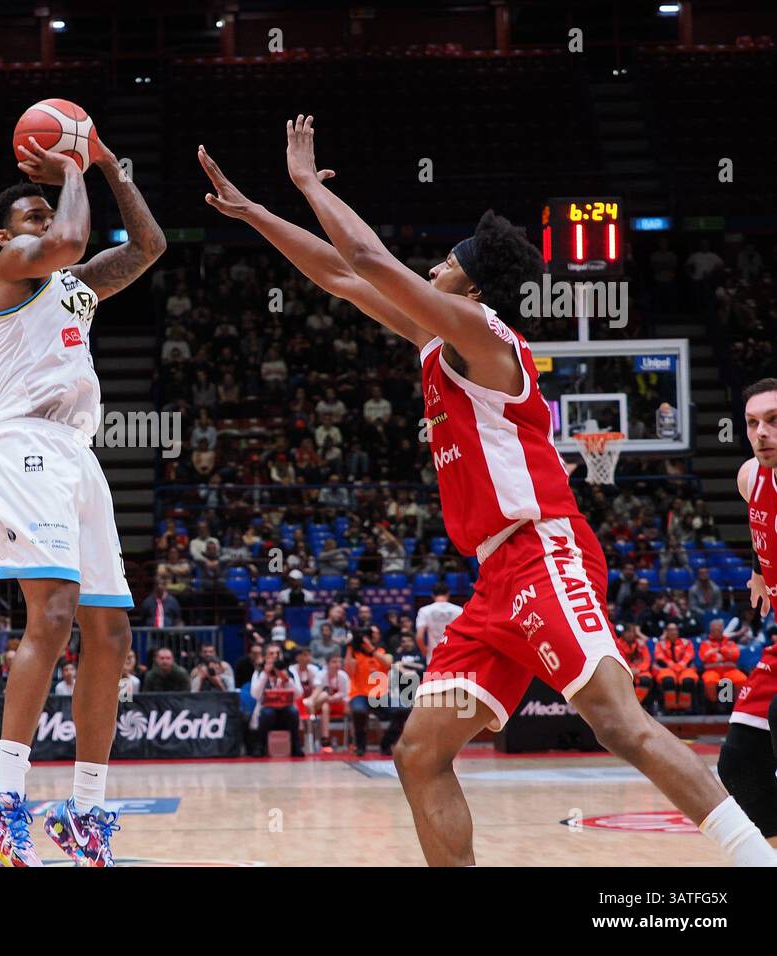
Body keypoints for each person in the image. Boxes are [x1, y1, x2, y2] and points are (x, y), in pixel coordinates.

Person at [197, 129, 775, 865]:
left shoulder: (483, 334)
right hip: (494, 586)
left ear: (470, 286)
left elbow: (371, 260)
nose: (431, 267)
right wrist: (253, 213)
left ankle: (755, 859)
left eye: (444, 262)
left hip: (543, 553)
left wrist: (309, 185)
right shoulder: (438, 339)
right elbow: (341, 274)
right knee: (419, 750)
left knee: (616, 722)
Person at [0, 132, 166, 867]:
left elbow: (147, 246)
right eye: (31, 216)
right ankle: (1, 801)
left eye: (47, 213)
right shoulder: (7, 271)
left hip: (78, 457)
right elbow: (73, 235)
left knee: (110, 637)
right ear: (4, 236)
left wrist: (112, 165)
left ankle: (85, 811)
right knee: (49, 615)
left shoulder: (72, 285)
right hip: (22, 446)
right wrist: (75, 167)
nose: (45, 225)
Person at [718, 380, 777, 846]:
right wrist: (759, 570)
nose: (762, 432)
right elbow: (760, 521)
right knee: (738, 763)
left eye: (774, 421)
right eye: (753, 423)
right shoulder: (747, 477)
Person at [250, 645, 304, 758]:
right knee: (268, 713)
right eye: (271, 653)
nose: (275, 656)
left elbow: (299, 694)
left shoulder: (290, 670)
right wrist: (265, 674)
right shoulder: (259, 672)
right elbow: (255, 694)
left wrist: (286, 679)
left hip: (286, 709)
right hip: (267, 710)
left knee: (293, 712)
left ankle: (295, 745)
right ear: (265, 657)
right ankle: (260, 746)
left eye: (278, 653)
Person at [698, 621, 747, 709]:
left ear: (722, 630)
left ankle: (738, 706)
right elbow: (704, 657)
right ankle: (713, 705)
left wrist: (720, 651)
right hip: (712, 671)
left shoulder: (730, 643)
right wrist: (725, 654)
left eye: (718, 630)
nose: (716, 632)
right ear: (711, 631)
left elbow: (735, 655)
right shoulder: (705, 644)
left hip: (730, 670)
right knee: (709, 681)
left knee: (742, 679)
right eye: (714, 630)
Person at [414, 584, 463, 661]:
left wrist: (424, 651)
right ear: (448, 594)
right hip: (454, 656)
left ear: (432, 595)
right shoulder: (458, 610)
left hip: (434, 656)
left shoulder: (424, 610)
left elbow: (419, 637)